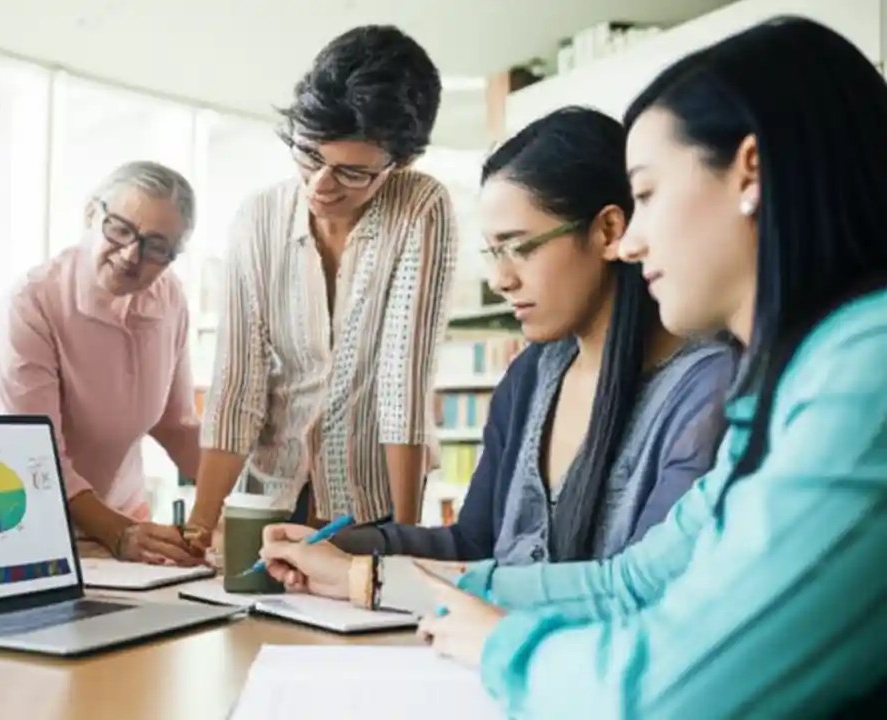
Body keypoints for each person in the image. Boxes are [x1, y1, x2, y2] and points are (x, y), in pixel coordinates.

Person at [276, 16, 887, 716]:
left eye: (647, 196)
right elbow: (629, 584)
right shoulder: (788, 384)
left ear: (749, 172)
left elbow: (669, 695)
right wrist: (369, 576)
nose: (633, 241)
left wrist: (500, 646)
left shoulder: (862, 371)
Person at [259, 106, 739, 613]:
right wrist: (339, 546)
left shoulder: (707, 390)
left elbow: (634, 595)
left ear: (607, 230)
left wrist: (368, 578)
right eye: (493, 253)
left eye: (520, 248)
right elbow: (474, 545)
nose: (501, 280)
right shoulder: (531, 376)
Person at [185, 25, 458, 549]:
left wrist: (405, 539)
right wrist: (199, 526)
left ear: (400, 163)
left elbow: (402, 382)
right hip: (267, 495)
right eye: (309, 155)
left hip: (372, 498)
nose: (320, 185)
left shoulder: (420, 206)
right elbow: (238, 385)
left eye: (351, 173)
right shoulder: (258, 217)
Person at [0, 162, 201, 566]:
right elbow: (36, 455)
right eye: (120, 229)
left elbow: (175, 424)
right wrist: (117, 532)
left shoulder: (169, 297)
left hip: (126, 517)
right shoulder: (32, 302)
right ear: (92, 212)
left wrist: (233, 506)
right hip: (34, 522)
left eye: (156, 247)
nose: (131, 255)